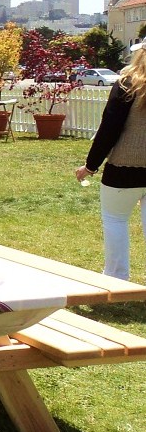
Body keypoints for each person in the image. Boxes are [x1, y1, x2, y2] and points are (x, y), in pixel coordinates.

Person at [75, 43, 146, 280]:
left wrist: (90, 166)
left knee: (115, 220)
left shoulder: (127, 84)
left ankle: (116, 278)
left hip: (125, 168)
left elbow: (109, 128)